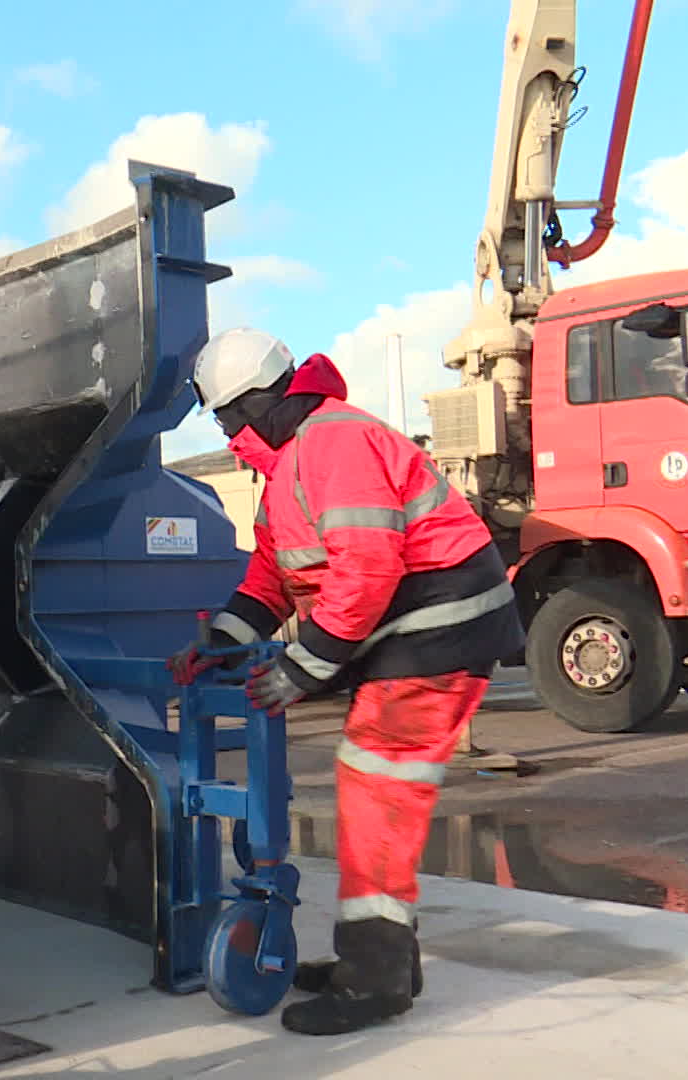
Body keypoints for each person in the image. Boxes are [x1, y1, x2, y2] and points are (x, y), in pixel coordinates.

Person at [167, 328, 524, 1036]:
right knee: (373, 796)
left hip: (439, 636)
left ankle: (375, 981)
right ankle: (383, 961)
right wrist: (216, 643)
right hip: (412, 640)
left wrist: (300, 670)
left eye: (230, 420)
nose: (231, 438)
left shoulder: (334, 443)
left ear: (264, 403)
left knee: (378, 799)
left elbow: (367, 570)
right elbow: (271, 582)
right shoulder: (288, 473)